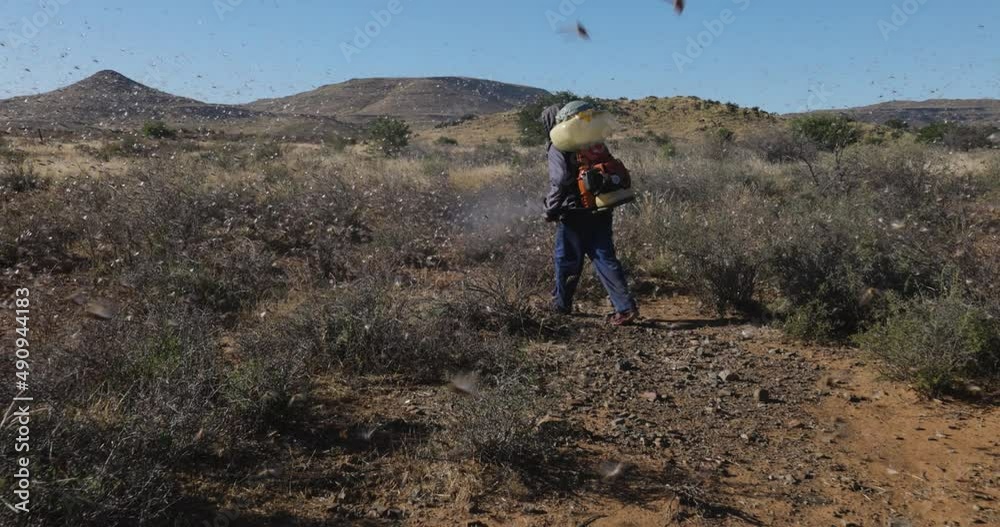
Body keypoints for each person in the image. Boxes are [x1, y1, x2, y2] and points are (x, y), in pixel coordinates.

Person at [541, 101, 639, 326]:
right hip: (600, 206)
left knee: (566, 260)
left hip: (574, 212)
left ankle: (561, 306)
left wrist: (550, 209)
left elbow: (560, 180)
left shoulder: (559, 146)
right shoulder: (594, 140)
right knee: (604, 257)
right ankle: (625, 308)